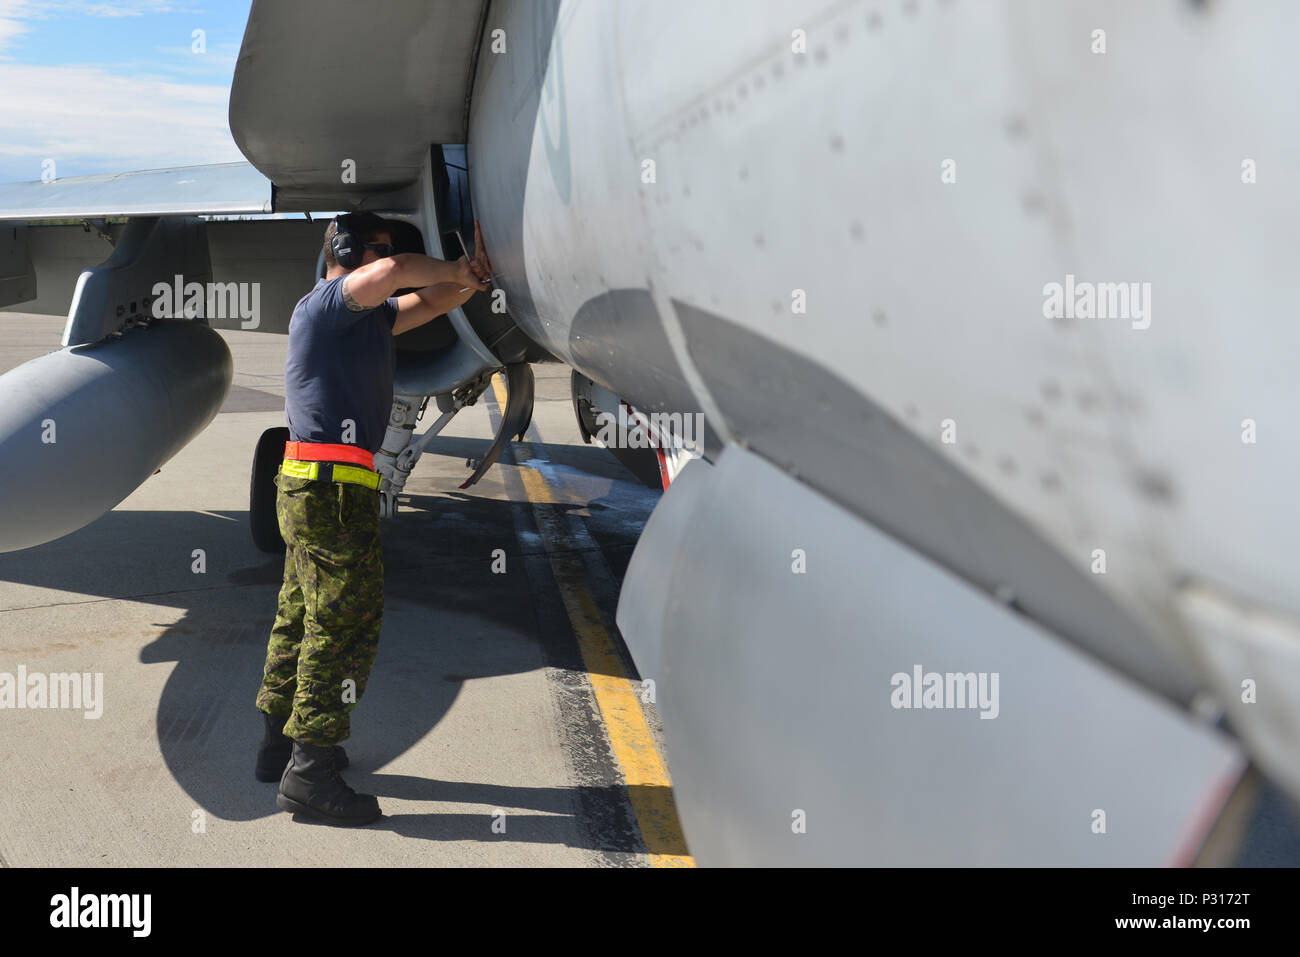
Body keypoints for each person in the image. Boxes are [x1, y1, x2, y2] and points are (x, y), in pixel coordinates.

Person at [253, 211, 492, 826]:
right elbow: (397, 274)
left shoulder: (366, 319)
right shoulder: (329, 304)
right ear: (348, 252)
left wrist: (471, 281)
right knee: (345, 625)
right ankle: (311, 773)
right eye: (380, 250)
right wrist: (451, 266)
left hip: (313, 485)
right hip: (331, 490)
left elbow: (430, 302)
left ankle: (279, 739)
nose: (389, 260)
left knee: (301, 612)